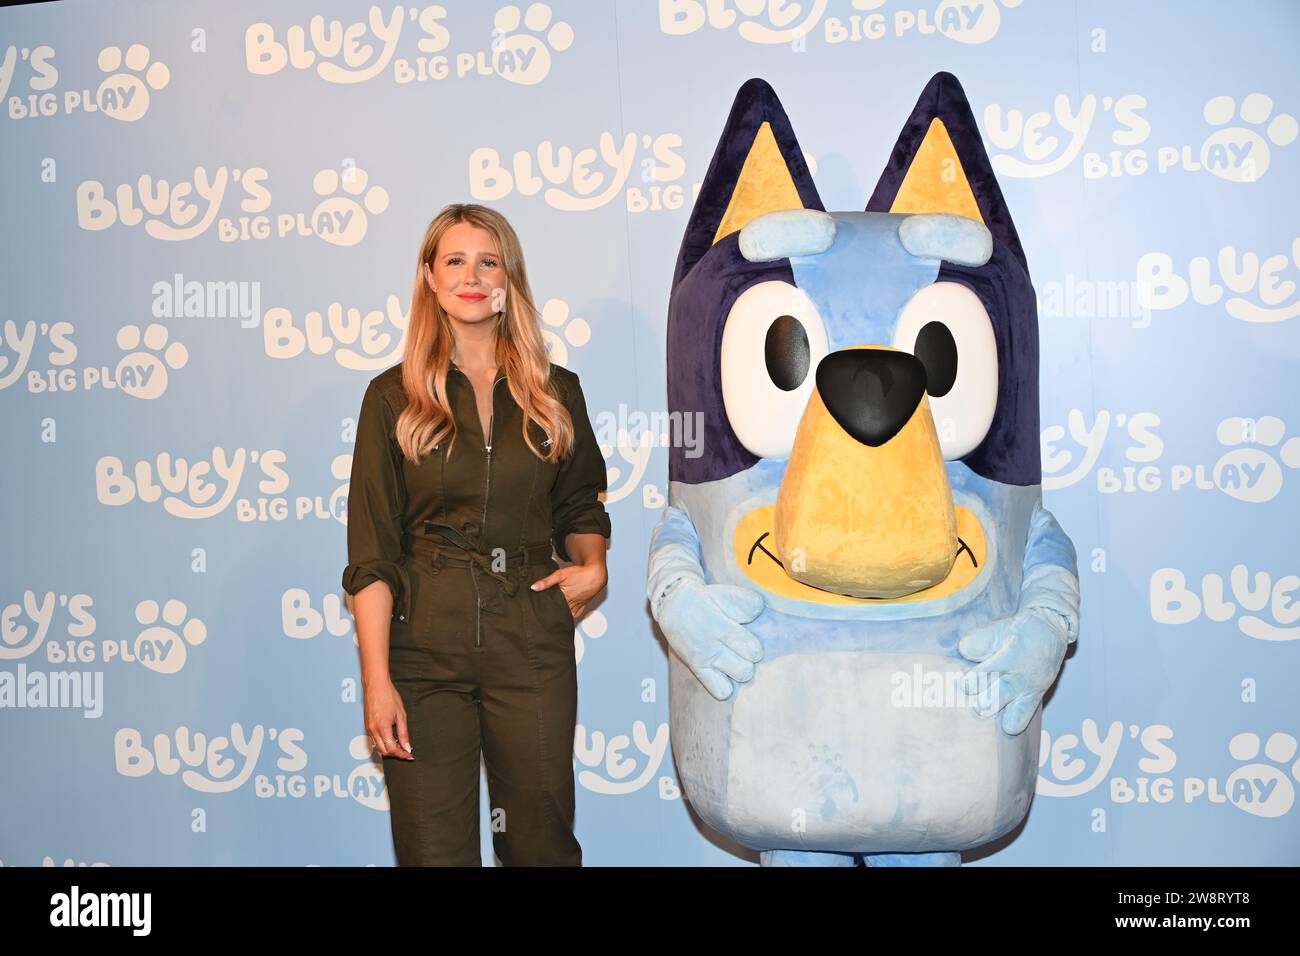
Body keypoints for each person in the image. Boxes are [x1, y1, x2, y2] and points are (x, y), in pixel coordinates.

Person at [341, 203, 611, 866]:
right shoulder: (391, 398)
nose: (471, 275)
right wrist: (377, 680)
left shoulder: (557, 391)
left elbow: (580, 505)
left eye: (487, 261)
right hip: (422, 656)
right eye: (454, 260)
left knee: (539, 846)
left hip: (531, 644)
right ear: (429, 277)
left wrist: (592, 565)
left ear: (507, 279)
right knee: (434, 851)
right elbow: (371, 555)